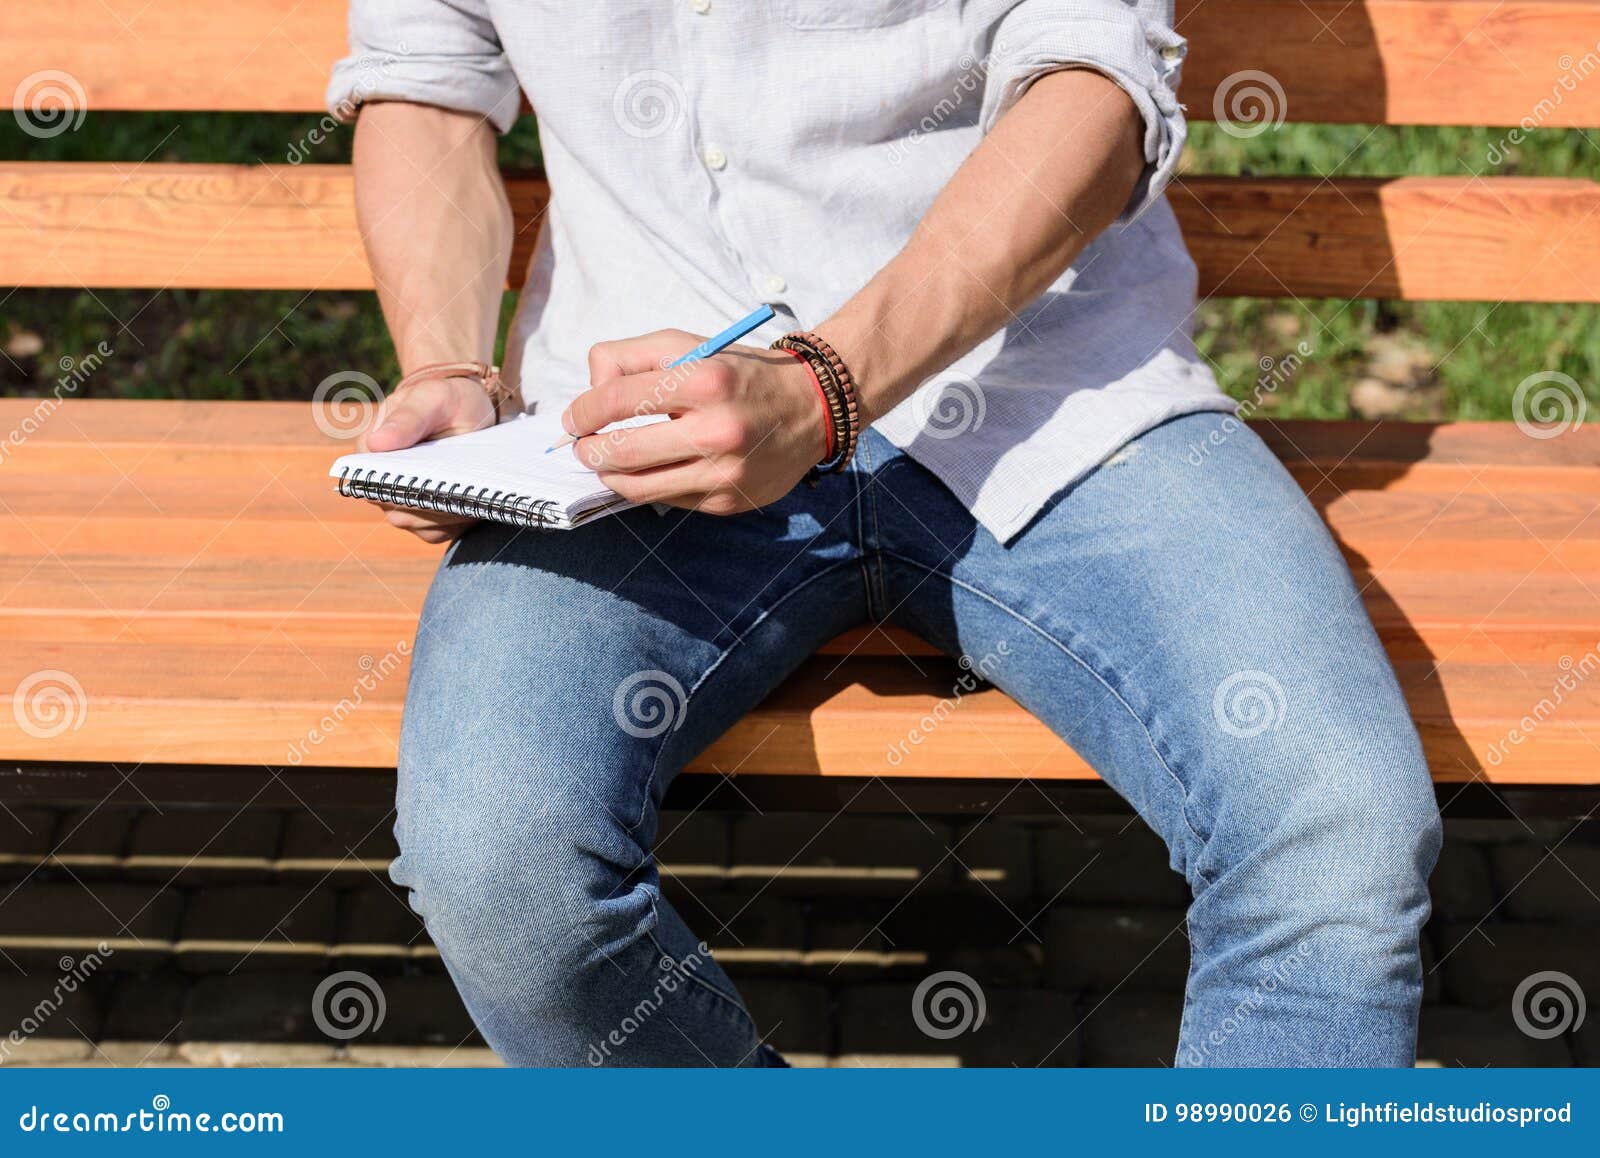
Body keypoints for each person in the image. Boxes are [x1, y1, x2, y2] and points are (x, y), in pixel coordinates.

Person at [329, 0, 1442, 1067]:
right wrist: (445, 363)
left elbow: (1092, 78)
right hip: (631, 429)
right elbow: (426, 81)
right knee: (496, 867)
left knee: (1333, 834)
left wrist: (821, 391)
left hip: (1050, 393)